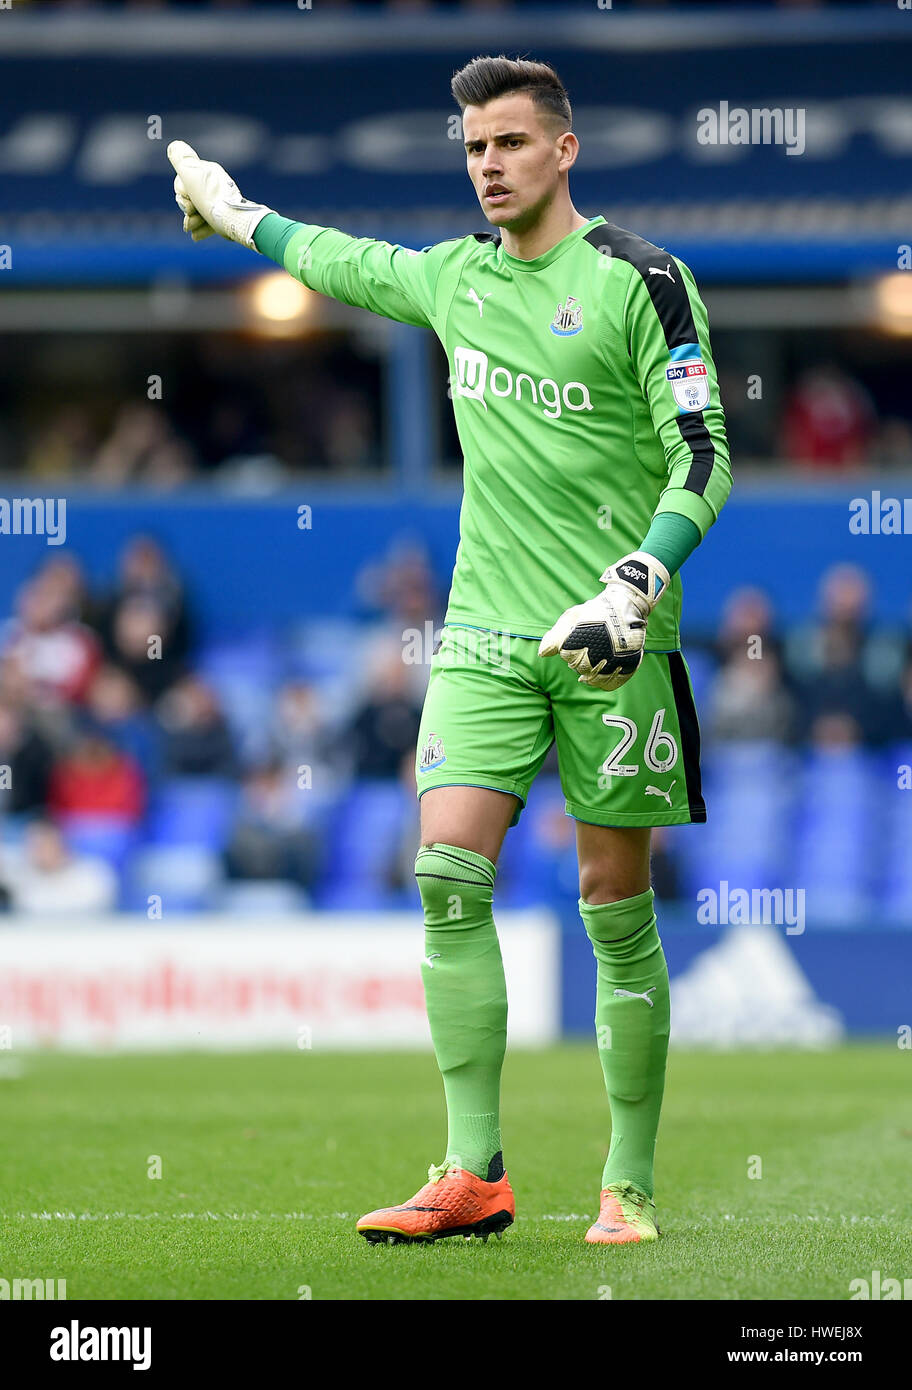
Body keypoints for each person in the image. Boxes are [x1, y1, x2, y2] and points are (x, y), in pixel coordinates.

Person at [167, 54, 732, 1248]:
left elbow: (705, 452)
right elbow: (333, 257)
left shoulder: (642, 281)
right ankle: (472, 1169)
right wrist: (233, 210)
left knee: (612, 906)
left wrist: (640, 576)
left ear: (563, 151)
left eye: (512, 144)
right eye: (474, 147)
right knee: (444, 875)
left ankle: (626, 1181)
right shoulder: (450, 279)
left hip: (616, 641)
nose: (489, 166)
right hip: (483, 635)